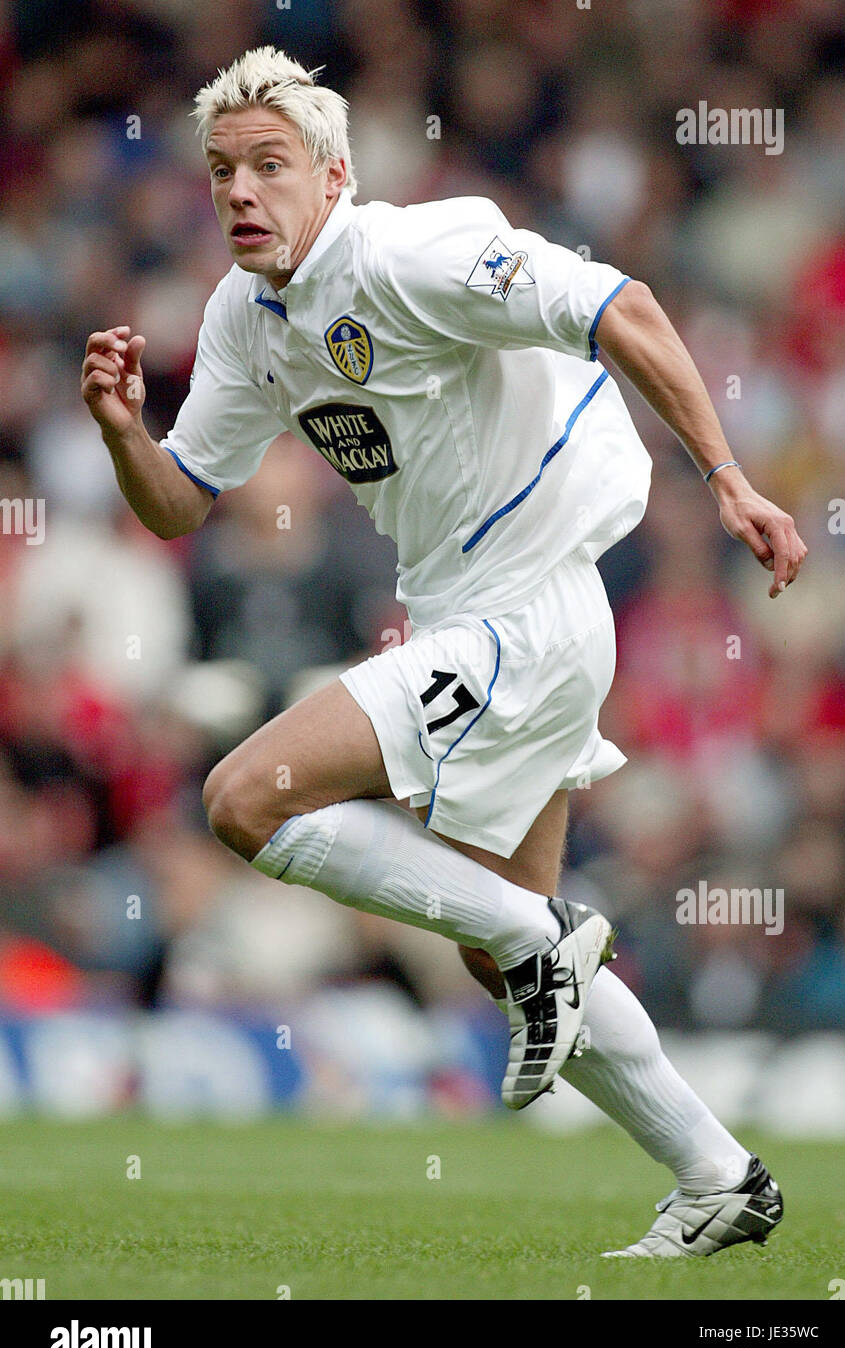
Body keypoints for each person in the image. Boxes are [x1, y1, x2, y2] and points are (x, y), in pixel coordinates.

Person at [81, 48, 804, 1255]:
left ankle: (544, 939)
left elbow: (615, 303)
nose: (241, 192)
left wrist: (726, 478)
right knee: (492, 944)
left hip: (525, 610)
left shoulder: (408, 255)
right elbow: (178, 503)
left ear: (334, 176)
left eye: (270, 166)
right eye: (220, 172)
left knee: (242, 798)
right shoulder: (241, 317)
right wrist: (120, 432)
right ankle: (715, 1174)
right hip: (466, 615)